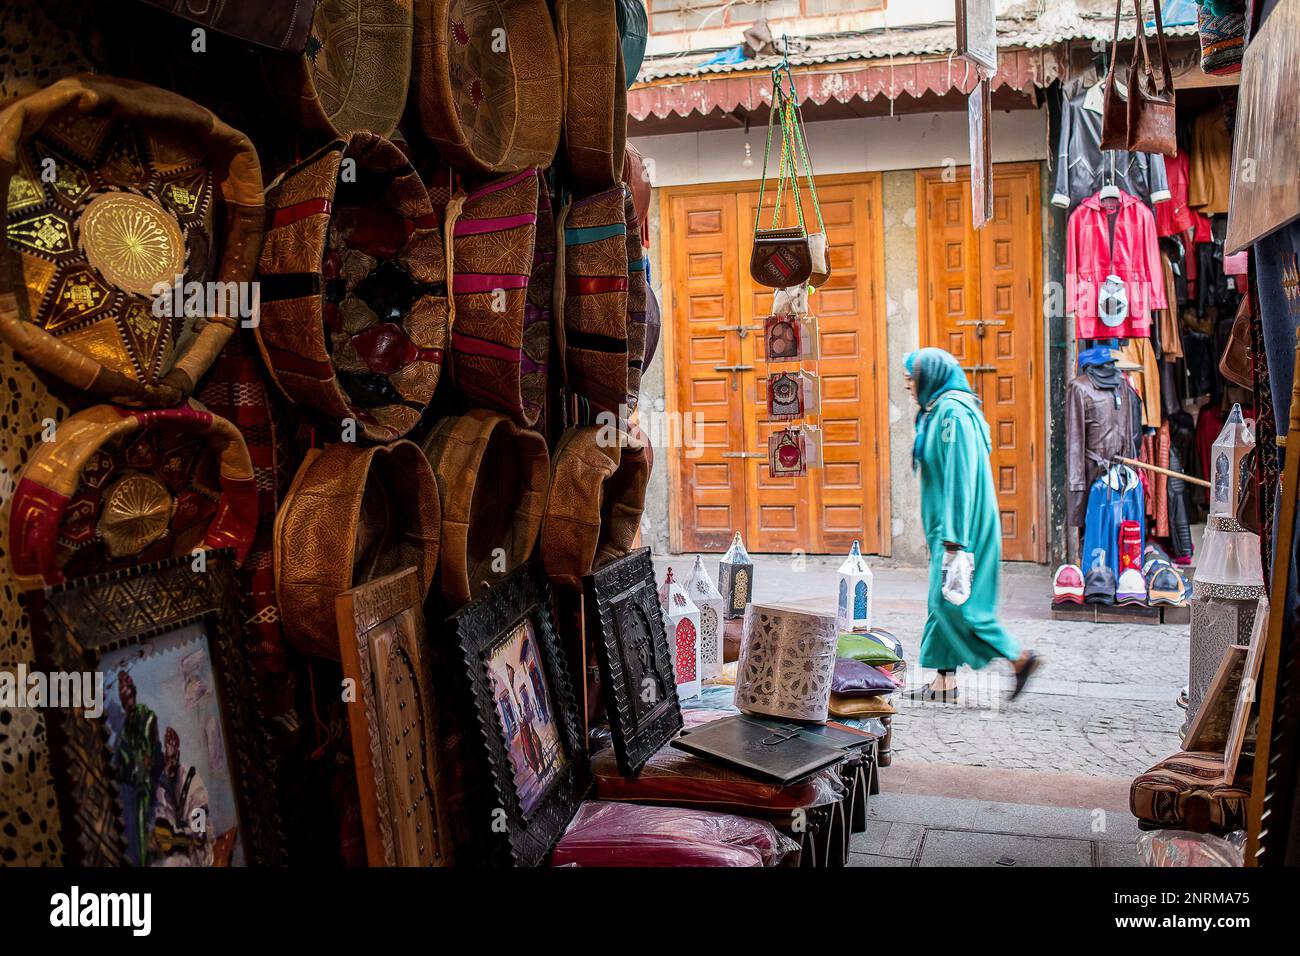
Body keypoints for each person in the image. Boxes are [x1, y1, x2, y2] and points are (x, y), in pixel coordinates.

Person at [903, 348, 1040, 702]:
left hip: (962, 530)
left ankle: (1018, 657)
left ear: (930, 376)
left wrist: (954, 537)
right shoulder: (937, 411)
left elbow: (960, 476)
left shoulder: (953, 413)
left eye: (911, 379)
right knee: (941, 601)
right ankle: (943, 682)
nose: (907, 387)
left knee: (955, 602)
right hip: (948, 530)